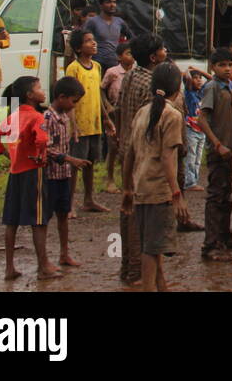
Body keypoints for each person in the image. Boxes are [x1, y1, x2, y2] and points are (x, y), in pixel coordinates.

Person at [122, 61, 190, 292]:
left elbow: (129, 155)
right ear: (178, 88)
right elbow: (168, 158)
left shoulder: (143, 111)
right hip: (159, 191)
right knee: (151, 249)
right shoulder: (172, 115)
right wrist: (177, 193)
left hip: (141, 185)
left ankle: (161, 286)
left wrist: (127, 189)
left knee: (152, 243)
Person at [0, 76, 56, 280]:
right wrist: (40, 152)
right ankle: (43, 266)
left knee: (12, 221)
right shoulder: (37, 117)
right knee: (39, 220)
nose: (43, 91)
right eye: (39, 88)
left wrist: (5, 153)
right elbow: (42, 138)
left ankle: (10, 267)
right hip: (33, 171)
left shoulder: (14, 116)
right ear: (30, 95)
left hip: (15, 172)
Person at [117, 32, 164, 285]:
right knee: (140, 212)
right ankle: (136, 270)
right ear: (154, 57)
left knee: (127, 209)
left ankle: (128, 266)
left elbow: (119, 109)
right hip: (141, 153)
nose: (165, 52)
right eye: (162, 50)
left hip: (126, 146)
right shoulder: (151, 85)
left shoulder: (130, 76)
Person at [199, 48, 232, 261]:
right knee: (216, 196)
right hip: (218, 151)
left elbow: (230, 117)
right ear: (212, 67)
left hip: (228, 148)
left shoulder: (228, 86)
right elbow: (202, 119)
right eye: (222, 65)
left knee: (226, 194)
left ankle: (225, 236)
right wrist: (217, 144)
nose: (227, 69)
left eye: (230, 64)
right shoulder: (212, 87)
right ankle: (211, 245)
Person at [43, 75, 90, 269]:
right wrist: (70, 159)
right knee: (44, 218)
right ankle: (44, 258)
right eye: (73, 101)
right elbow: (45, 148)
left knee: (63, 214)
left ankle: (64, 254)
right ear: (61, 97)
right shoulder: (48, 118)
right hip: (50, 175)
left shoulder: (63, 116)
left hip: (63, 175)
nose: (74, 105)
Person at [64, 29, 113, 213]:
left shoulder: (97, 67)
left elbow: (97, 95)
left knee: (90, 163)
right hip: (79, 124)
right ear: (78, 47)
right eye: (88, 41)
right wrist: (73, 125)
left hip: (94, 123)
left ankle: (89, 199)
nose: (93, 43)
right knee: (75, 164)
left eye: (93, 40)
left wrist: (106, 118)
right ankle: (68, 203)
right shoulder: (74, 68)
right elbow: (69, 98)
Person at [101, 43, 135, 193]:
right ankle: (109, 179)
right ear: (119, 57)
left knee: (128, 147)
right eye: (128, 53)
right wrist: (107, 106)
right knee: (114, 146)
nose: (131, 57)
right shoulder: (112, 72)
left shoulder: (136, 71)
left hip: (130, 114)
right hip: (115, 113)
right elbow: (101, 89)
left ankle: (126, 180)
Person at [83, 0, 133, 72]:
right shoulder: (93, 21)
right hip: (96, 64)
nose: (112, 5)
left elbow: (131, 37)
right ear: (101, 5)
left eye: (114, 2)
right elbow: (83, 39)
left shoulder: (119, 22)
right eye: (108, 2)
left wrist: (123, 51)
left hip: (114, 64)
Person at [182, 69, 207, 191]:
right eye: (196, 78)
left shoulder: (201, 93)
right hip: (191, 129)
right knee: (191, 157)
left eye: (200, 78)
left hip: (201, 130)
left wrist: (198, 70)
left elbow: (212, 80)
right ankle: (189, 182)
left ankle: (194, 180)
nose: (199, 80)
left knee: (198, 158)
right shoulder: (189, 93)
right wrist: (190, 70)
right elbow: (186, 79)